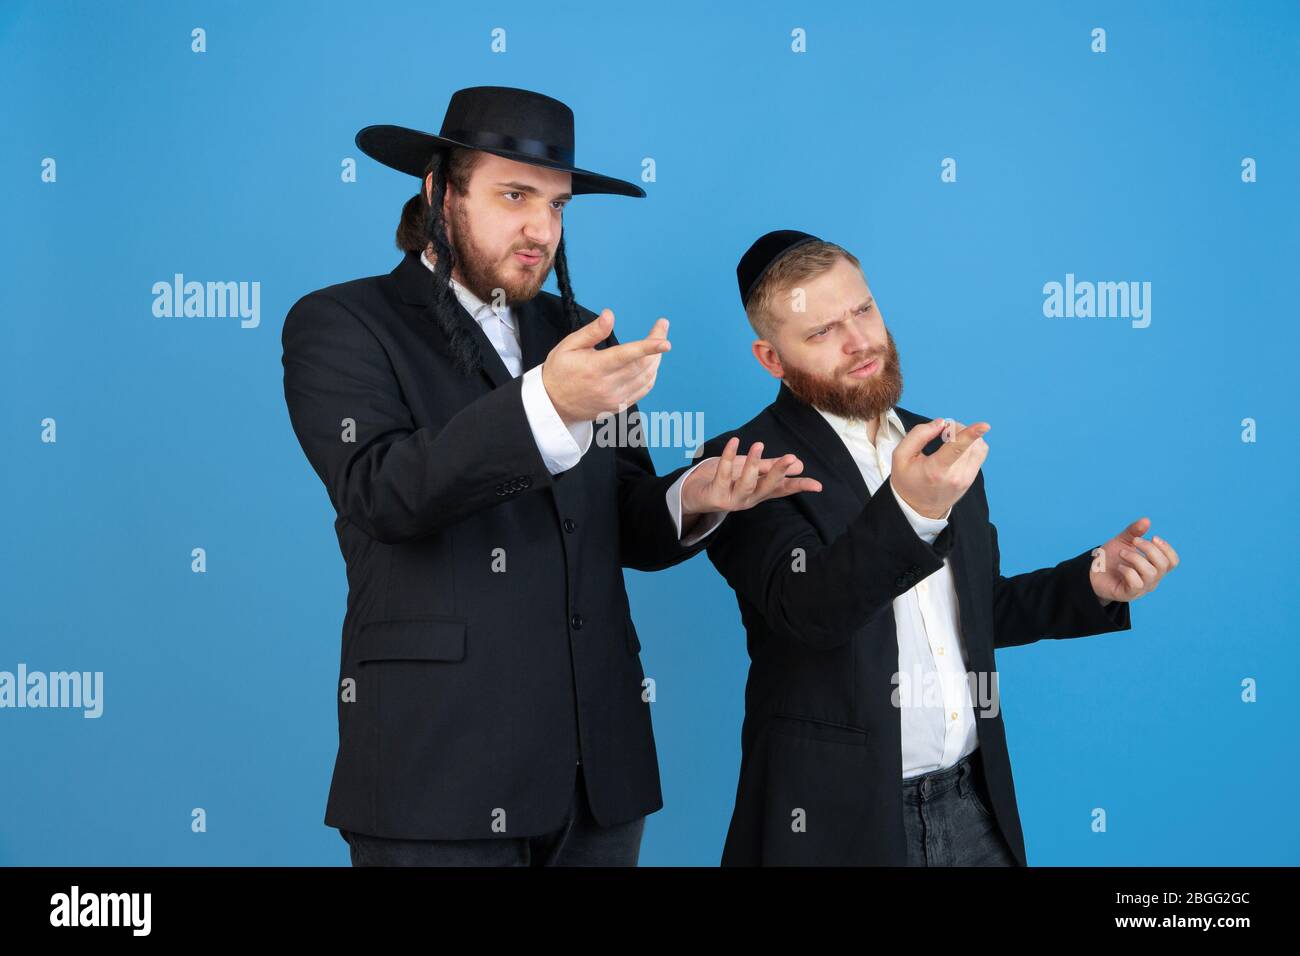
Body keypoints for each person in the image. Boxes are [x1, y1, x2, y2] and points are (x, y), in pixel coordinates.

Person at [279, 88, 817, 866]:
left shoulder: (576, 331)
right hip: (436, 772)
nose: (543, 229)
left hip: (597, 775)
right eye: (514, 196)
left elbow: (623, 521)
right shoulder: (341, 323)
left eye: (558, 205)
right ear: (439, 194)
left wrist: (694, 498)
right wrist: (545, 404)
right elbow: (383, 491)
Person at [699, 230, 1180, 865]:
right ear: (772, 358)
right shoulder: (743, 466)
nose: (859, 342)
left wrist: (1089, 583)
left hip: (975, 805)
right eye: (821, 333)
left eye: (863, 311)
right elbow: (809, 612)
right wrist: (913, 510)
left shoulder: (940, 446)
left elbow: (978, 613)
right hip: (837, 822)